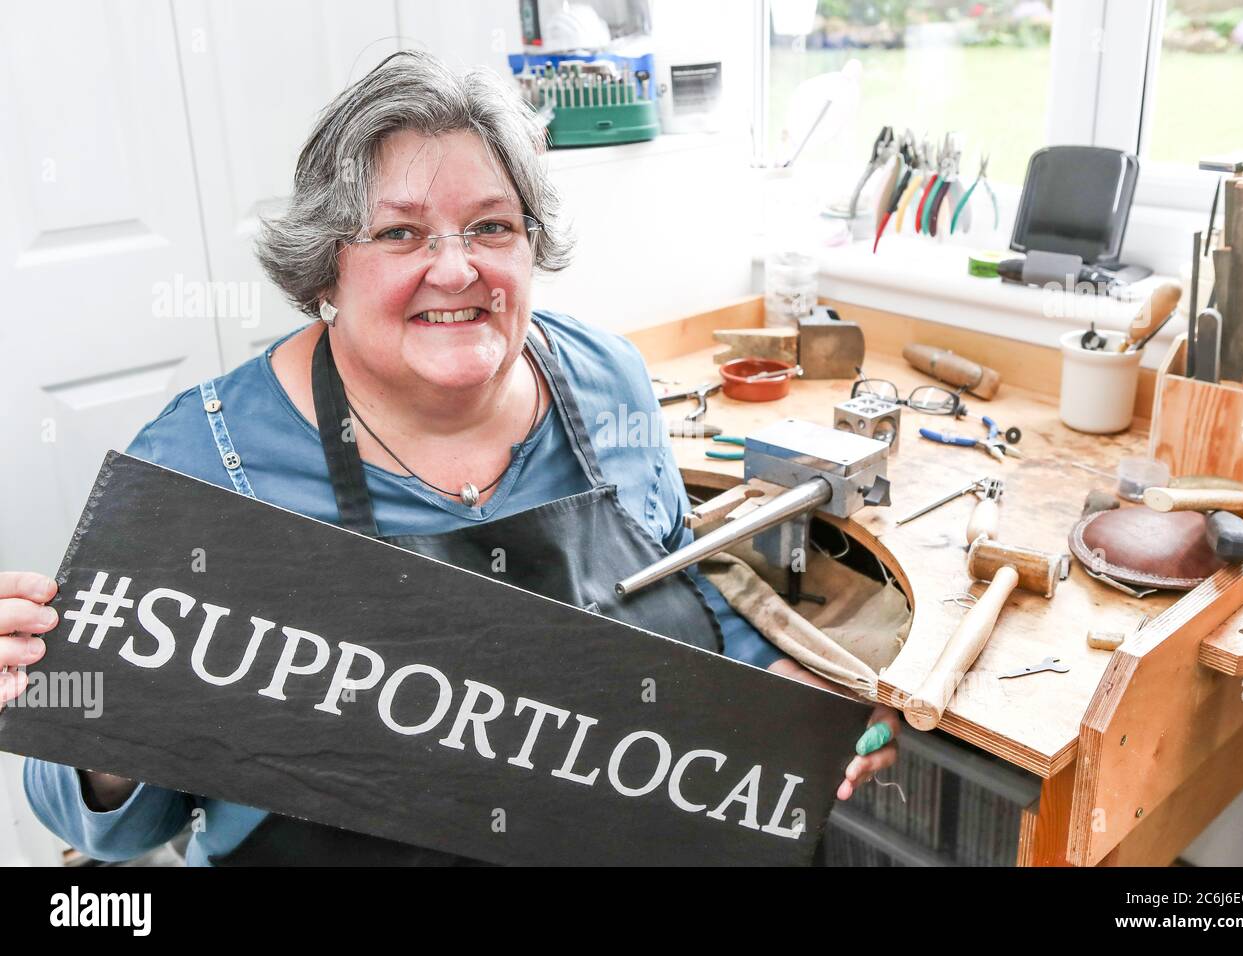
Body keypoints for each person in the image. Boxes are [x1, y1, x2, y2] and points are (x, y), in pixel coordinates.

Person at [8, 51, 898, 865]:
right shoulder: (204, 459)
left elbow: (676, 573)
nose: (457, 269)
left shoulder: (606, 382)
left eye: (491, 227)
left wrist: (774, 684)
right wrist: (90, 710)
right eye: (401, 234)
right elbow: (100, 819)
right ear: (326, 268)